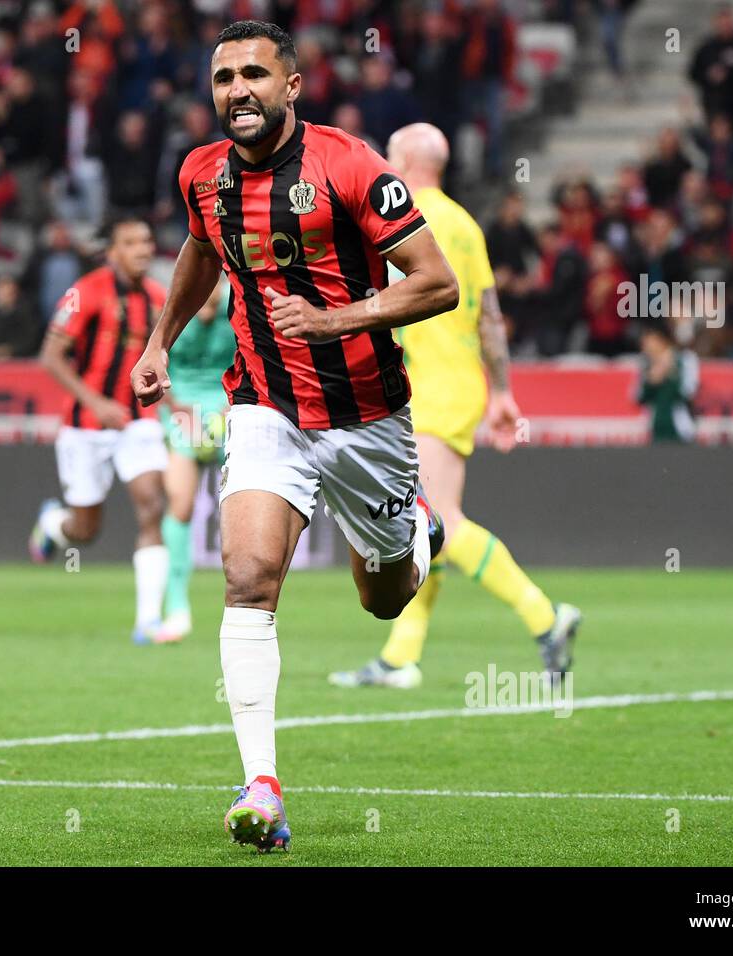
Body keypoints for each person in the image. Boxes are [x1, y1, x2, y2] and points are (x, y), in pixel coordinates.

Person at [129, 21, 459, 853]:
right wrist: (158, 341)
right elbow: (202, 251)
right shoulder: (200, 174)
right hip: (263, 406)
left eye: (254, 75)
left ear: (292, 86)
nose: (237, 90)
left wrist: (333, 317)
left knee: (382, 597)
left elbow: (437, 283)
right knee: (246, 576)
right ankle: (261, 787)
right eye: (223, 78)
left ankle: (414, 533)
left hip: (368, 416)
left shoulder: (350, 165)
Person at [330, 125, 581, 691]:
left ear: (408, 160)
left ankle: (545, 618)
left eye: (389, 155)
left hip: (428, 386)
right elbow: (490, 315)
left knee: (440, 516)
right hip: (461, 382)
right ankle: (401, 656)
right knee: (425, 523)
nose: (382, 164)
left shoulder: (400, 213)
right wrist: (503, 392)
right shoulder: (466, 224)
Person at [28, 217, 171, 645]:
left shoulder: (158, 297)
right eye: (131, 242)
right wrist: (97, 403)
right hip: (85, 426)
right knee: (86, 531)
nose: (143, 249)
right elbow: (50, 356)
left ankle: (148, 621)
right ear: (112, 251)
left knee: (151, 508)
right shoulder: (86, 291)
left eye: (146, 241)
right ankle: (54, 524)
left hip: (138, 423)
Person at [156, 277, 236, 644]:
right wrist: (176, 407)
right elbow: (153, 370)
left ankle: (247, 607)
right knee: (181, 504)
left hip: (228, 405)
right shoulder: (172, 313)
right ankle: (176, 607)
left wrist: (229, 405)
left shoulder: (237, 308)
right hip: (182, 407)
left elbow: (253, 359)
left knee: (242, 502)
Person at [636, 320, 699, 443]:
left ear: (662, 340)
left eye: (649, 340)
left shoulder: (685, 360)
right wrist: (650, 381)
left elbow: (688, 393)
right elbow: (638, 397)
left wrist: (669, 373)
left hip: (680, 430)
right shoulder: (645, 364)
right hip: (654, 430)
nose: (646, 345)